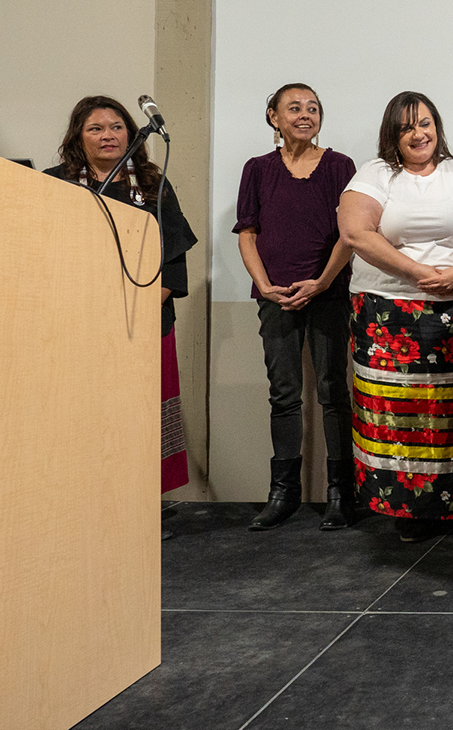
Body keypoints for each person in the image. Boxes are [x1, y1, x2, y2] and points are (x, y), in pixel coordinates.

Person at [338, 92, 453, 542]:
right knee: (398, 413)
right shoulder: (376, 174)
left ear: (437, 126)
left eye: (425, 123)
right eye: (407, 127)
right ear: (393, 134)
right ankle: (408, 512)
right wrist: (420, 273)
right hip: (386, 311)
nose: (418, 133)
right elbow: (355, 231)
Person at [46, 96, 198, 504]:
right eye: (95, 128)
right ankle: (83, 500)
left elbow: (174, 266)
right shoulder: (54, 184)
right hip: (78, 326)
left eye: (116, 126)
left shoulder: (152, 185)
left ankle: (143, 506)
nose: (108, 135)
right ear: (78, 137)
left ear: (131, 133)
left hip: (144, 325)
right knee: (85, 418)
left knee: (140, 419)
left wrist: (130, 315)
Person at [234, 84, 357, 531]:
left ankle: (341, 493)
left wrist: (322, 282)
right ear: (273, 117)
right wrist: (265, 286)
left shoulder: (340, 166)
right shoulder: (257, 169)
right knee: (283, 394)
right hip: (275, 298)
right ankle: (282, 492)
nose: (305, 115)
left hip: (329, 293)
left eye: (313, 108)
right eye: (294, 108)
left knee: (332, 391)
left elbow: (351, 233)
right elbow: (247, 232)